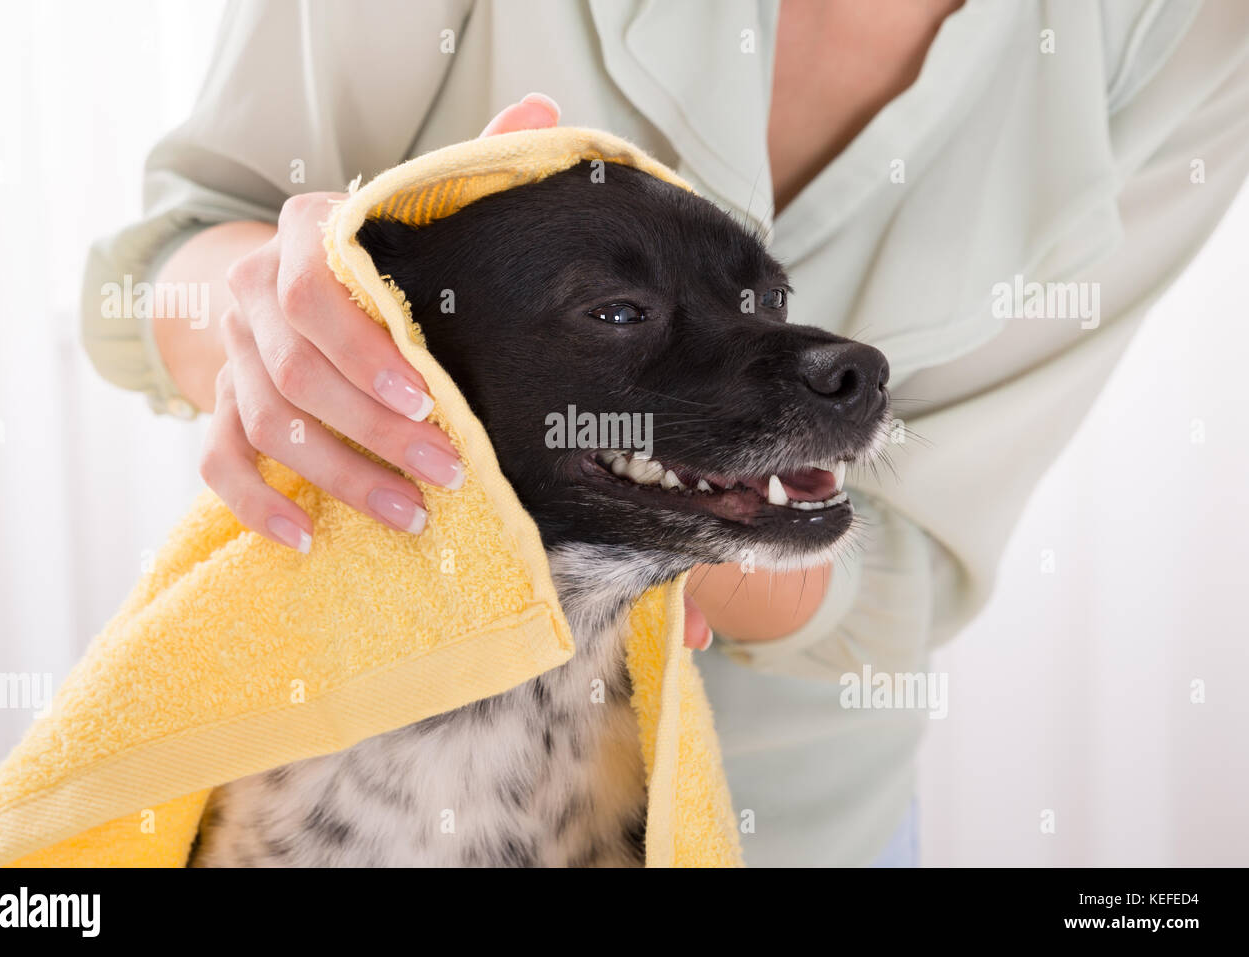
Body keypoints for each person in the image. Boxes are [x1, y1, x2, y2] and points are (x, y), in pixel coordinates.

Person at [81, 0, 1249, 866]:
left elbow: (901, 582)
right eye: (622, 312)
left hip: (777, 826)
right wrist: (277, 326)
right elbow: (160, 265)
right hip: (325, 779)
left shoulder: (1191, 36)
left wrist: (680, 517)